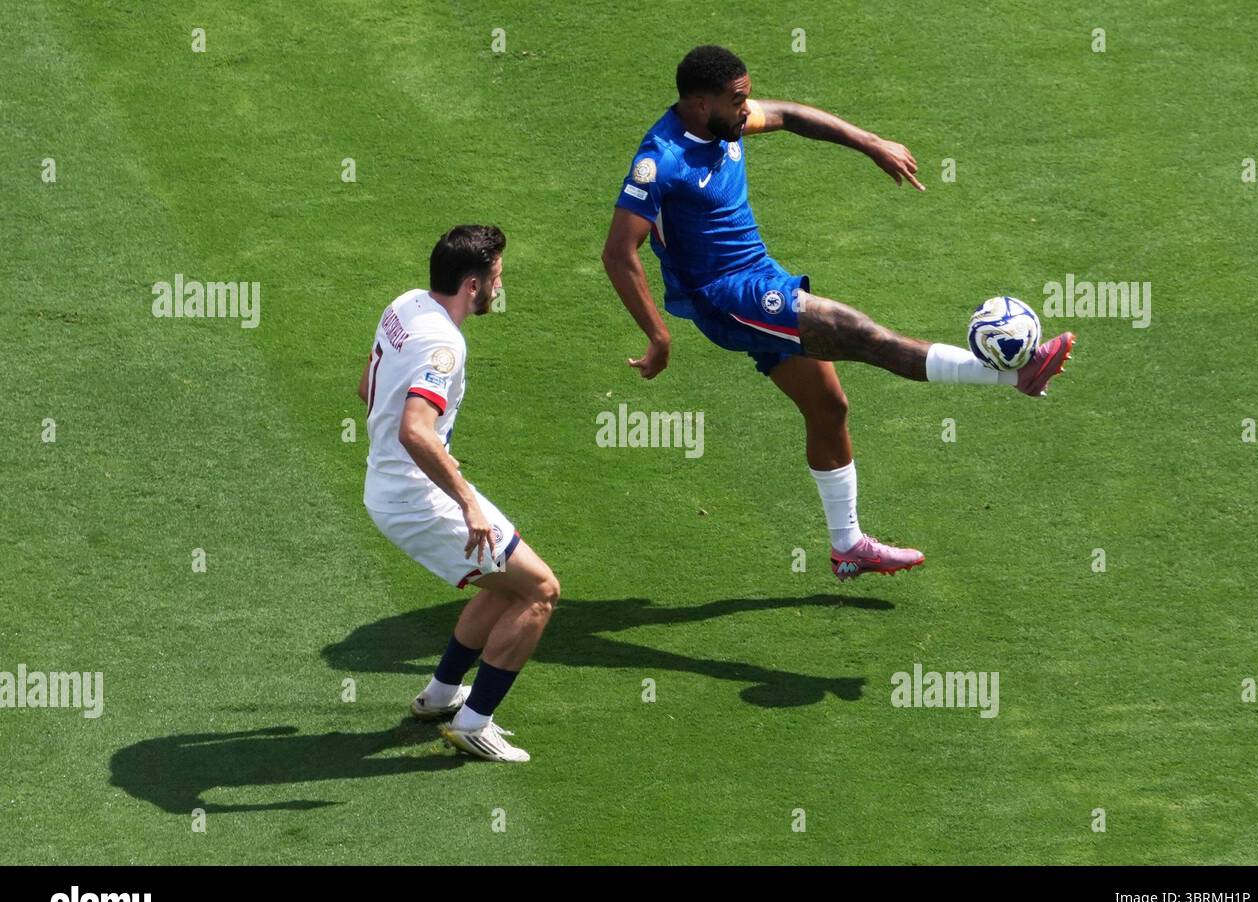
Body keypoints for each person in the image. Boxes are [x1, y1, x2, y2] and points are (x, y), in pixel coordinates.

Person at [602, 46, 1074, 578]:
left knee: (829, 408)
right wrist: (658, 336)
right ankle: (1015, 375)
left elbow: (792, 116)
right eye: (737, 101)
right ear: (697, 102)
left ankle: (847, 547)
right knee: (860, 333)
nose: (748, 108)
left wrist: (870, 143)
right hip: (729, 297)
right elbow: (619, 253)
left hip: (761, 277)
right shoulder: (661, 160)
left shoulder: (724, 123)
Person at [360, 225, 559, 762]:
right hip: (419, 499)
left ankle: (442, 695)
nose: (500, 286)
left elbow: (368, 388)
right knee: (541, 591)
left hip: (391, 485)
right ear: (472, 286)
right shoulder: (445, 343)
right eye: (496, 277)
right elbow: (415, 430)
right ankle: (475, 724)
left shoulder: (404, 305)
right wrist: (466, 501)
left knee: (504, 583)